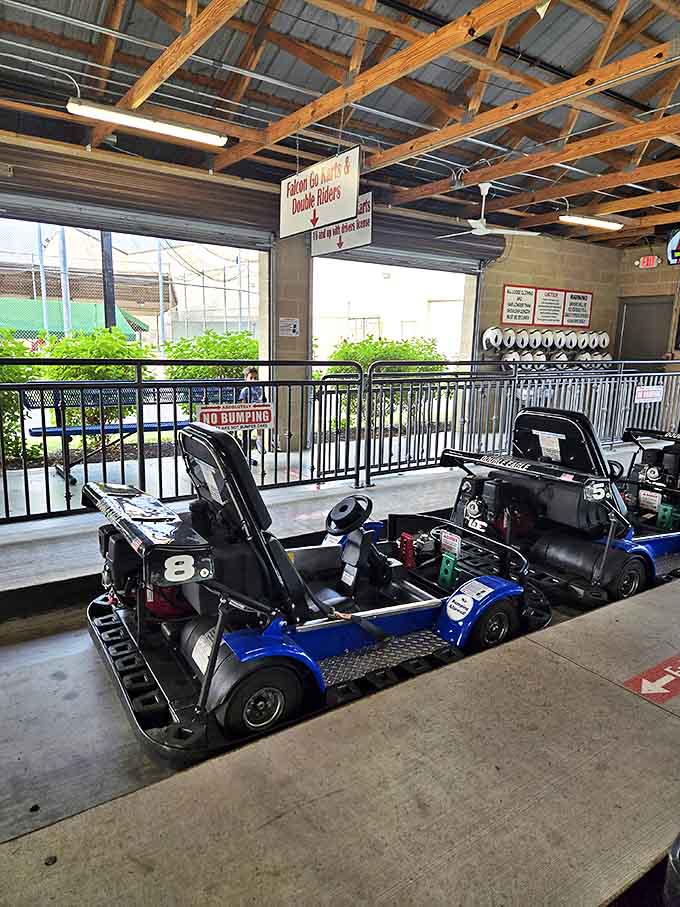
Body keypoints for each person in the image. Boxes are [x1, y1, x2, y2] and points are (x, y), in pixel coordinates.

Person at [239, 366, 264, 467]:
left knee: (261, 424)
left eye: (255, 378)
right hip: (248, 415)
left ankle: (260, 440)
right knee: (246, 434)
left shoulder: (259, 388)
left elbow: (262, 400)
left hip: (257, 413)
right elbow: (242, 403)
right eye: (251, 378)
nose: (254, 380)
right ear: (246, 378)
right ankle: (244, 455)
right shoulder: (245, 390)